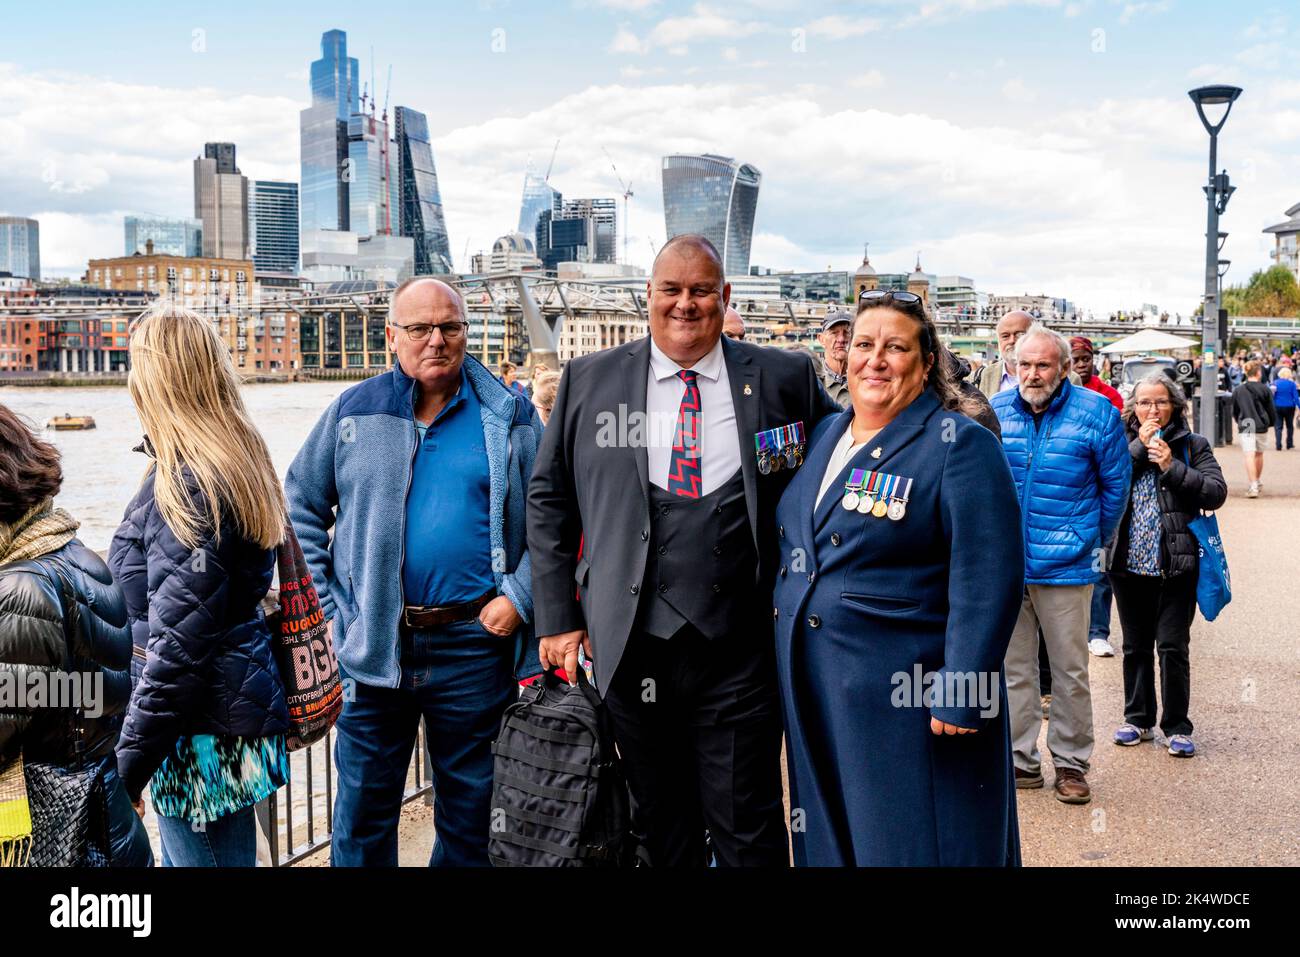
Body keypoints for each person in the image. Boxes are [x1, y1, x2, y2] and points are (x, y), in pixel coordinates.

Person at [527, 234, 839, 867]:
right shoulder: (591, 380)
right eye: (671, 289)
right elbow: (548, 496)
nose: (685, 304)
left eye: (701, 291)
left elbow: (850, 445)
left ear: (724, 299)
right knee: (659, 826)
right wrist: (558, 615)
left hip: (739, 648)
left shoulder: (783, 377)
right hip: (631, 643)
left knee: (746, 820)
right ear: (649, 296)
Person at [286, 278, 541, 867]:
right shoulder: (355, 411)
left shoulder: (510, 416)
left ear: (465, 332)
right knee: (361, 820)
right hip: (374, 648)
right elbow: (297, 506)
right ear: (392, 336)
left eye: (450, 327)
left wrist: (519, 599)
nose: (437, 341)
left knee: (472, 818)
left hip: (475, 647)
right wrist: (330, 613)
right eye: (421, 328)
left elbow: (557, 520)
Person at [773, 291, 1024, 865]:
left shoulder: (960, 445)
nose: (875, 359)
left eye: (895, 347)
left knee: (912, 836)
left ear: (928, 361)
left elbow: (989, 577)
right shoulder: (824, 436)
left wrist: (965, 691)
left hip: (906, 698)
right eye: (864, 345)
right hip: (817, 684)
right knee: (836, 832)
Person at [110, 303, 290, 867]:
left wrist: (125, 771)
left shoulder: (188, 485)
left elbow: (177, 652)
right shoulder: (230, 458)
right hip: (226, 722)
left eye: (137, 365)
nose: (130, 379)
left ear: (160, 377)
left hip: (200, 741)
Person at [0, 405, 151, 868]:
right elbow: (86, 695)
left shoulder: (20, 589)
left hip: (61, 840)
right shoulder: (73, 554)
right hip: (103, 821)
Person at [992, 324, 1131, 805]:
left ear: (1064, 368)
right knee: (1014, 669)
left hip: (1068, 565)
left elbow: (1116, 490)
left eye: (1042, 365)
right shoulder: (996, 412)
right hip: (1008, 565)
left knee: (1070, 672)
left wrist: (1089, 540)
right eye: (1024, 364)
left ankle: (1071, 764)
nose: (1032, 373)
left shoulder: (1097, 413)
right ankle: (1019, 760)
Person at [1107, 374, 1226, 758]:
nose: (1152, 410)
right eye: (1144, 402)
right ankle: (1138, 719)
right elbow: (1106, 482)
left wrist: (1172, 467)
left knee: (1173, 647)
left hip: (1176, 564)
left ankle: (1177, 726)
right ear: (1133, 408)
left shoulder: (1193, 445)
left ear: (1174, 405)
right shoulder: (1121, 444)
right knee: (1135, 646)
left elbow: (1216, 492)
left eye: (1160, 402)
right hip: (1128, 565)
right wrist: (1141, 451)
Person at [1232, 359, 1275, 498]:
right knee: (1259, 454)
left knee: (1249, 454)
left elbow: (1235, 410)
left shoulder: (1239, 390)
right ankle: (1257, 480)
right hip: (1261, 424)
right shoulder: (1265, 389)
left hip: (1246, 422)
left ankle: (1253, 484)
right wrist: (1271, 422)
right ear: (1258, 373)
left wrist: (1239, 419)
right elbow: (1271, 409)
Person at [977, 310, 1032, 398]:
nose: (1012, 340)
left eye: (1020, 335)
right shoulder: (984, 376)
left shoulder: (1051, 374)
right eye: (1005, 336)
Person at [1070, 336, 1122, 412]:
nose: (1081, 365)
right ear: (1066, 363)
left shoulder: (1110, 394)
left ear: (1093, 359)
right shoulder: (1058, 393)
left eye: (1086, 359)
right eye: (1075, 360)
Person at [818, 311, 852, 408]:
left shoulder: (865, 378)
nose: (841, 339)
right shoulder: (813, 379)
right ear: (821, 339)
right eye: (834, 333)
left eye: (847, 333)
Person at [1272, 366, 1296, 450]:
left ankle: (1278, 444)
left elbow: (1272, 395)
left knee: (1278, 426)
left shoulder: (1275, 383)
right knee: (1290, 426)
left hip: (1277, 406)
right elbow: (1295, 397)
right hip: (1290, 406)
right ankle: (1289, 444)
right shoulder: (1292, 384)